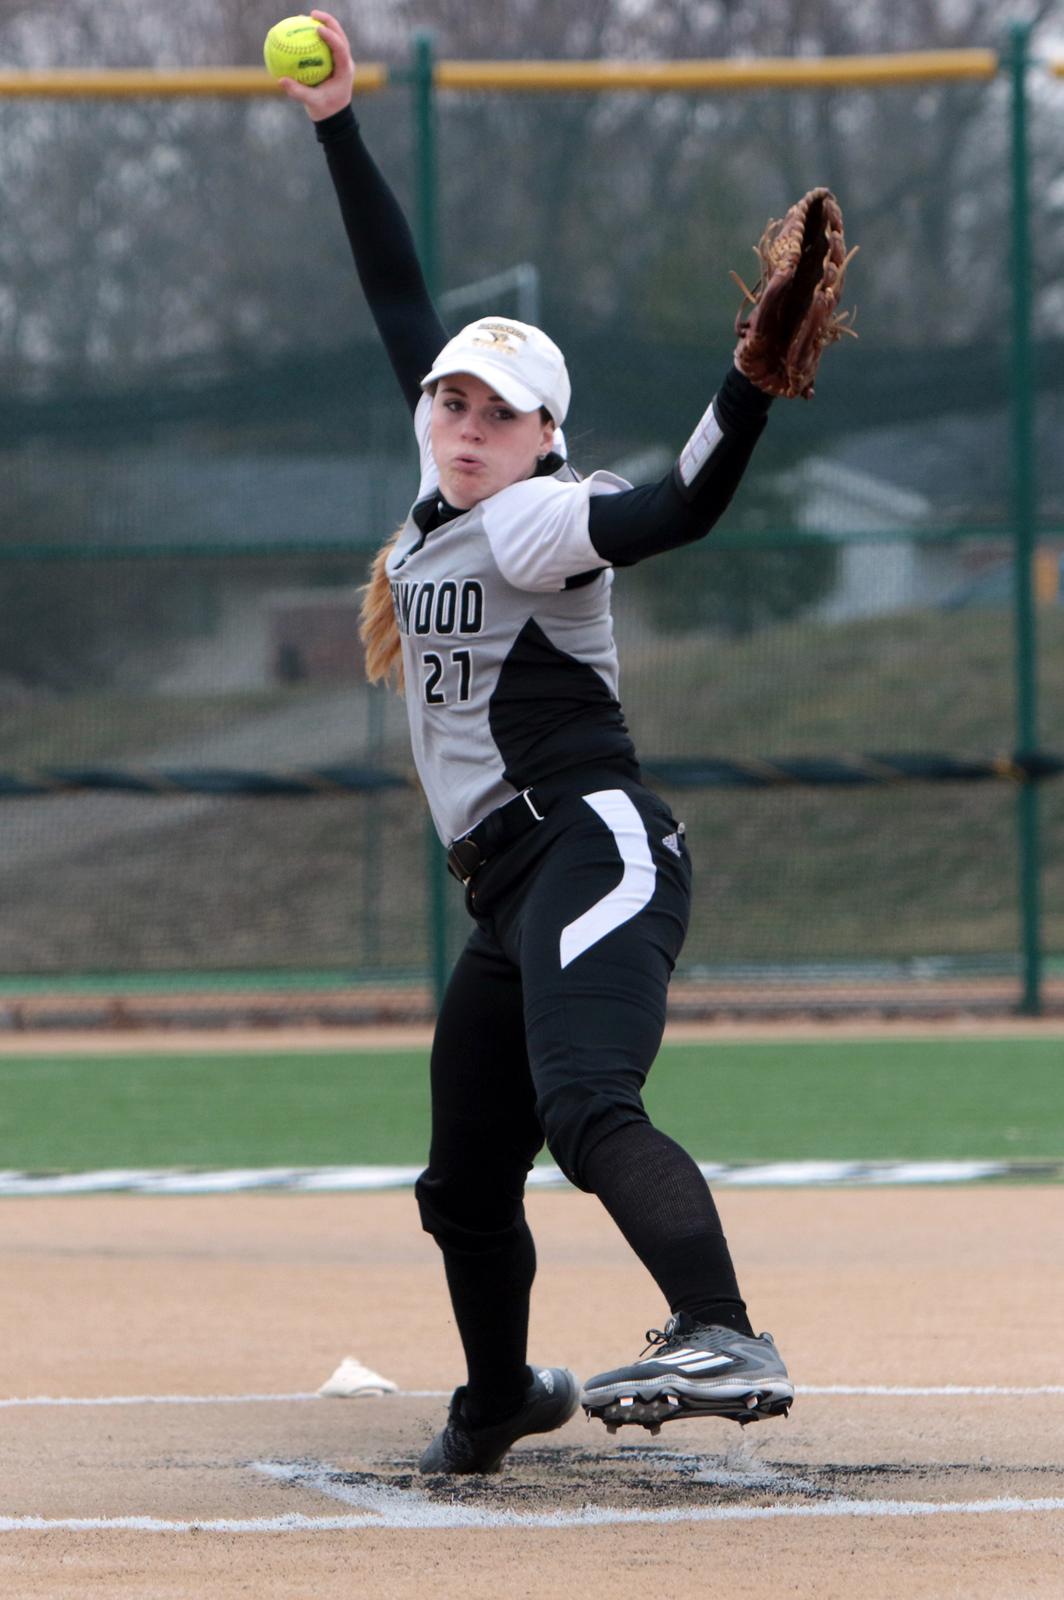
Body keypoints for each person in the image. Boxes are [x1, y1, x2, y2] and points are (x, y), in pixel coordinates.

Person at [282, 10, 796, 1475]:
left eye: (497, 409)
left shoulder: (537, 513)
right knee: (461, 1183)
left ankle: (721, 1325)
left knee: (584, 1106)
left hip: (594, 843)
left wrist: (747, 387)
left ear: (544, 435)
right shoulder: (443, 494)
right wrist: (337, 128)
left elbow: (683, 510)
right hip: (508, 891)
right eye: (453, 397)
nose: (462, 416)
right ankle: (500, 1393)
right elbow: (399, 303)